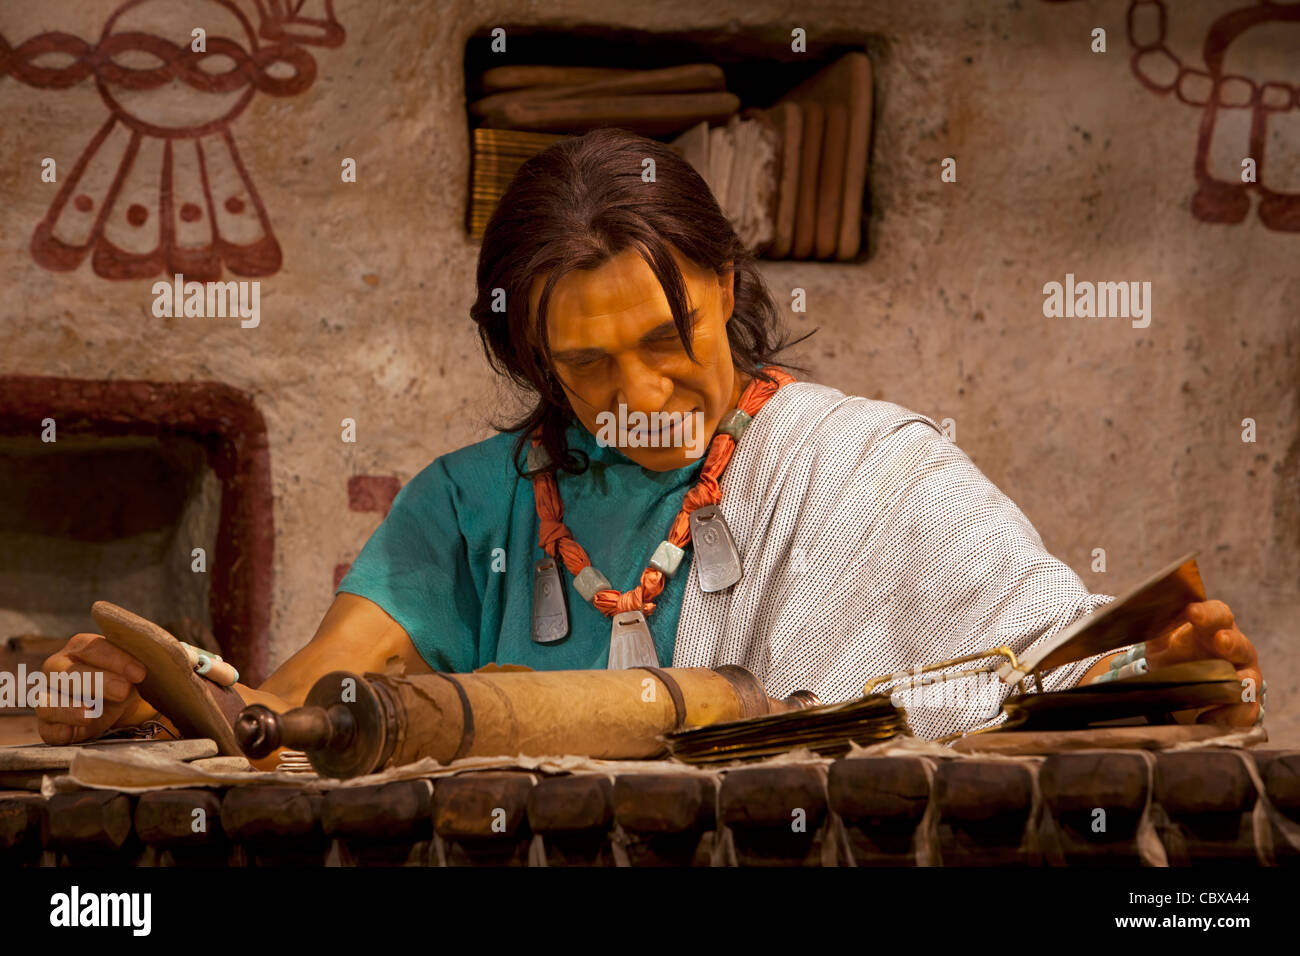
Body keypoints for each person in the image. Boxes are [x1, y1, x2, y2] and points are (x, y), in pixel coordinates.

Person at [36, 128, 1264, 763]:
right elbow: (309, 689)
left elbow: (1043, 656)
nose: (641, 391)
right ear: (532, 363)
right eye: (585, 364)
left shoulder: (870, 470)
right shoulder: (469, 509)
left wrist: (1165, 670)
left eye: (667, 334)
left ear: (725, 285)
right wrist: (186, 693)